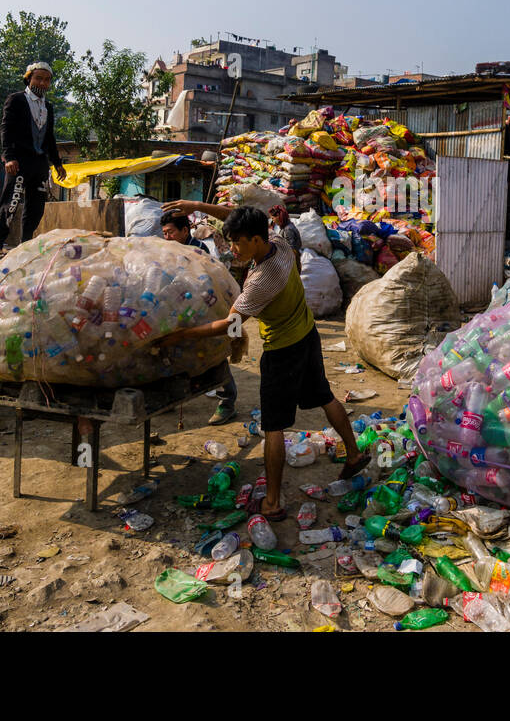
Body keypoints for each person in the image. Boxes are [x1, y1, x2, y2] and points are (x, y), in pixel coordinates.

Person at [156, 200, 368, 519]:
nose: (233, 249)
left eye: (238, 243)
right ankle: (353, 455)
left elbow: (232, 324)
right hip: (307, 335)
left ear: (255, 240)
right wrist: (195, 205)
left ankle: (272, 501)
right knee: (325, 395)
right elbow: (237, 218)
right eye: (230, 241)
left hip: (283, 350)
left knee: (273, 426)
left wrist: (181, 335)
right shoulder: (278, 242)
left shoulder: (261, 280)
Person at [160, 209, 241, 425]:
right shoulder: (168, 250)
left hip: (203, 311)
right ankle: (170, 398)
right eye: (164, 233)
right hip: (179, 311)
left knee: (214, 355)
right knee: (175, 354)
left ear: (185, 230)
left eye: (170, 233)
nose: (166, 237)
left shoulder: (199, 251)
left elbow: (205, 284)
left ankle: (227, 402)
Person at [0, 62, 66, 256]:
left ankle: (25, 245)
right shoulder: (16, 100)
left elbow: (49, 137)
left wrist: (57, 163)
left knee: (36, 208)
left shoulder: (47, 107)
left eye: (47, 80)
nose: (42, 83)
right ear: (29, 78)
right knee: (12, 202)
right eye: (38, 78)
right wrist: (8, 157)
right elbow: (6, 128)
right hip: (19, 161)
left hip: (39, 163)